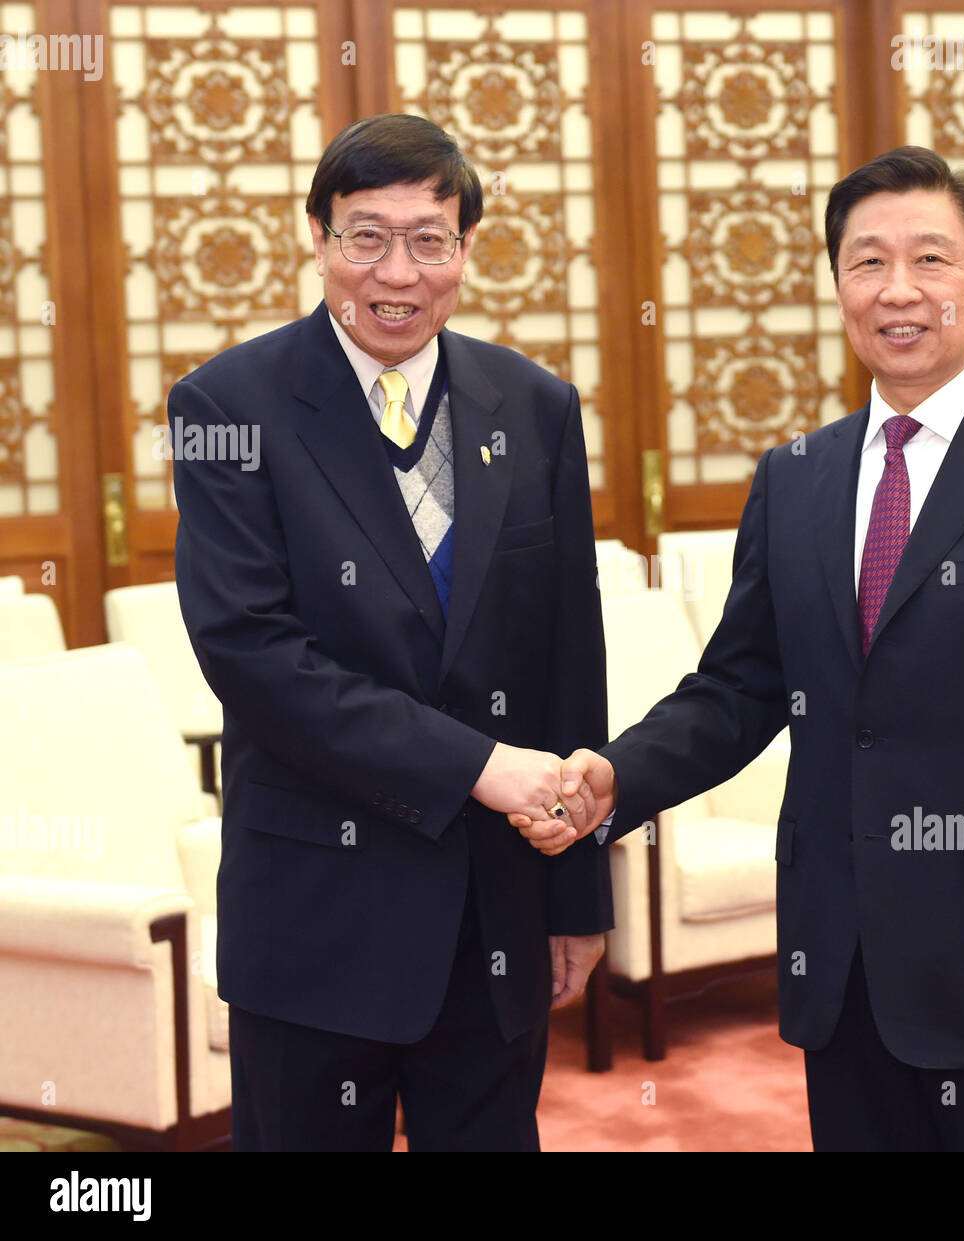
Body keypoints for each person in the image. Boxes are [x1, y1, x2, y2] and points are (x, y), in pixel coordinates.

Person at [513, 146, 964, 1152]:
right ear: (837, 285)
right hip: (841, 963)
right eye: (867, 262)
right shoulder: (797, 478)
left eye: (932, 260)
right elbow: (739, 686)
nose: (898, 290)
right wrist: (618, 776)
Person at [170, 113, 611, 1152]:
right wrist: (480, 767)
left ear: (465, 249)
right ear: (319, 236)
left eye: (429, 238)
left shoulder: (535, 405)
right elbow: (254, 654)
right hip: (317, 912)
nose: (397, 271)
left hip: (493, 911)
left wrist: (575, 890)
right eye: (365, 236)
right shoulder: (229, 403)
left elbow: (567, 659)